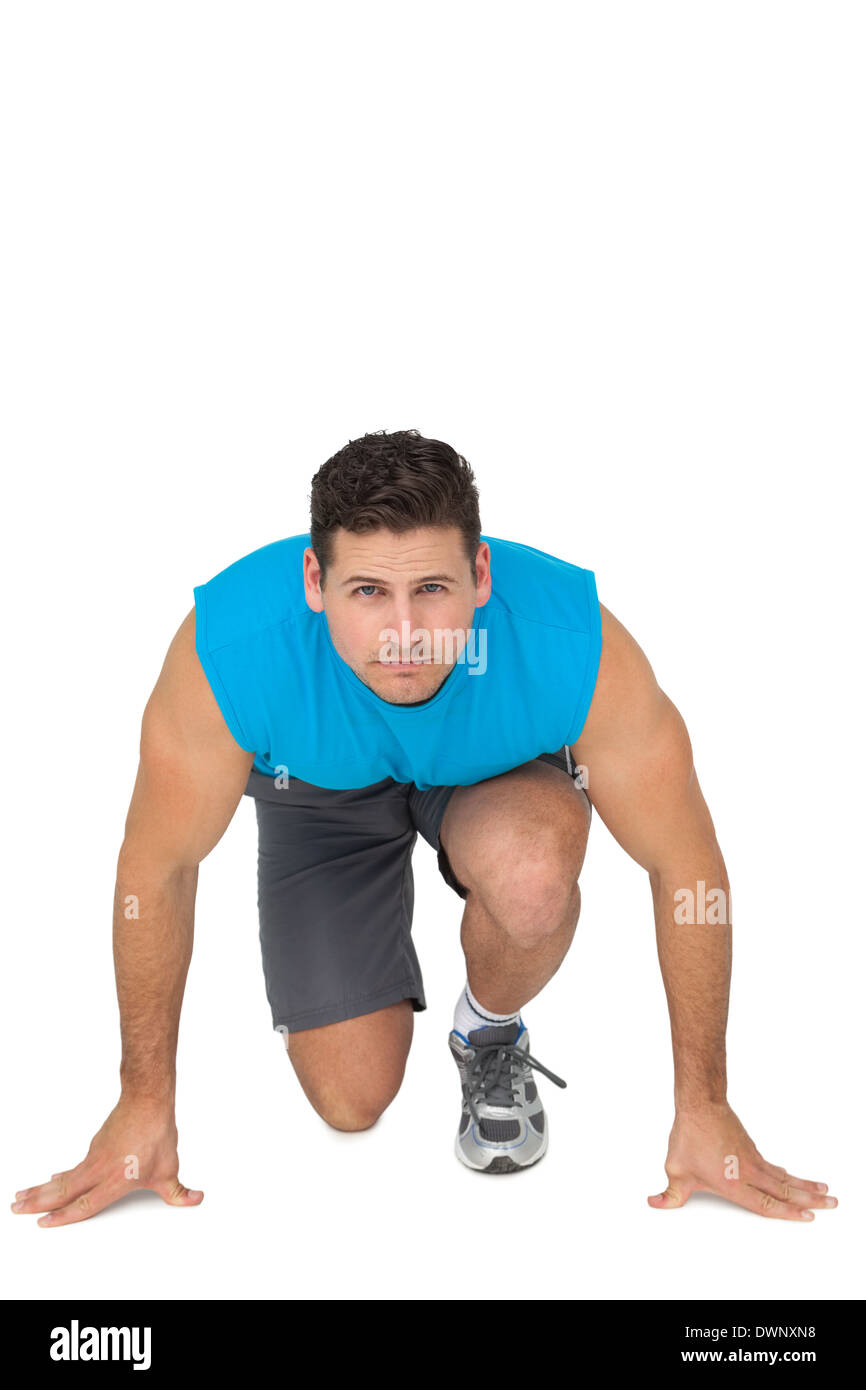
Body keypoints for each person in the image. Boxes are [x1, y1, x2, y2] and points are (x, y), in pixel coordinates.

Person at [12, 429, 836, 1225]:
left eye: (431, 590)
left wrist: (708, 1105)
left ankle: (488, 1032)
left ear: (480, 573)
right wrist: (142, 1102)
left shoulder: (569, 642)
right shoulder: (231, 651)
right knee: (350, 1100)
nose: (403, 633)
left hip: (489, 776)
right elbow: (156, 870)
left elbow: (685, 862)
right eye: (368, 592)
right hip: (319, 790)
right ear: (313, 580)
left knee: (534, 874)